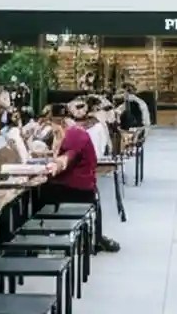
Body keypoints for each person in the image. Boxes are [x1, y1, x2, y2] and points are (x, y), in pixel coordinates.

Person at [42, 103, 121, 252]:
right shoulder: (75, 132)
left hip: (74, 189)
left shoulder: (73, 134)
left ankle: (32, 239)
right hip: (82, 186)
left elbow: (67, 157)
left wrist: (56, 164)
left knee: (35, 194)